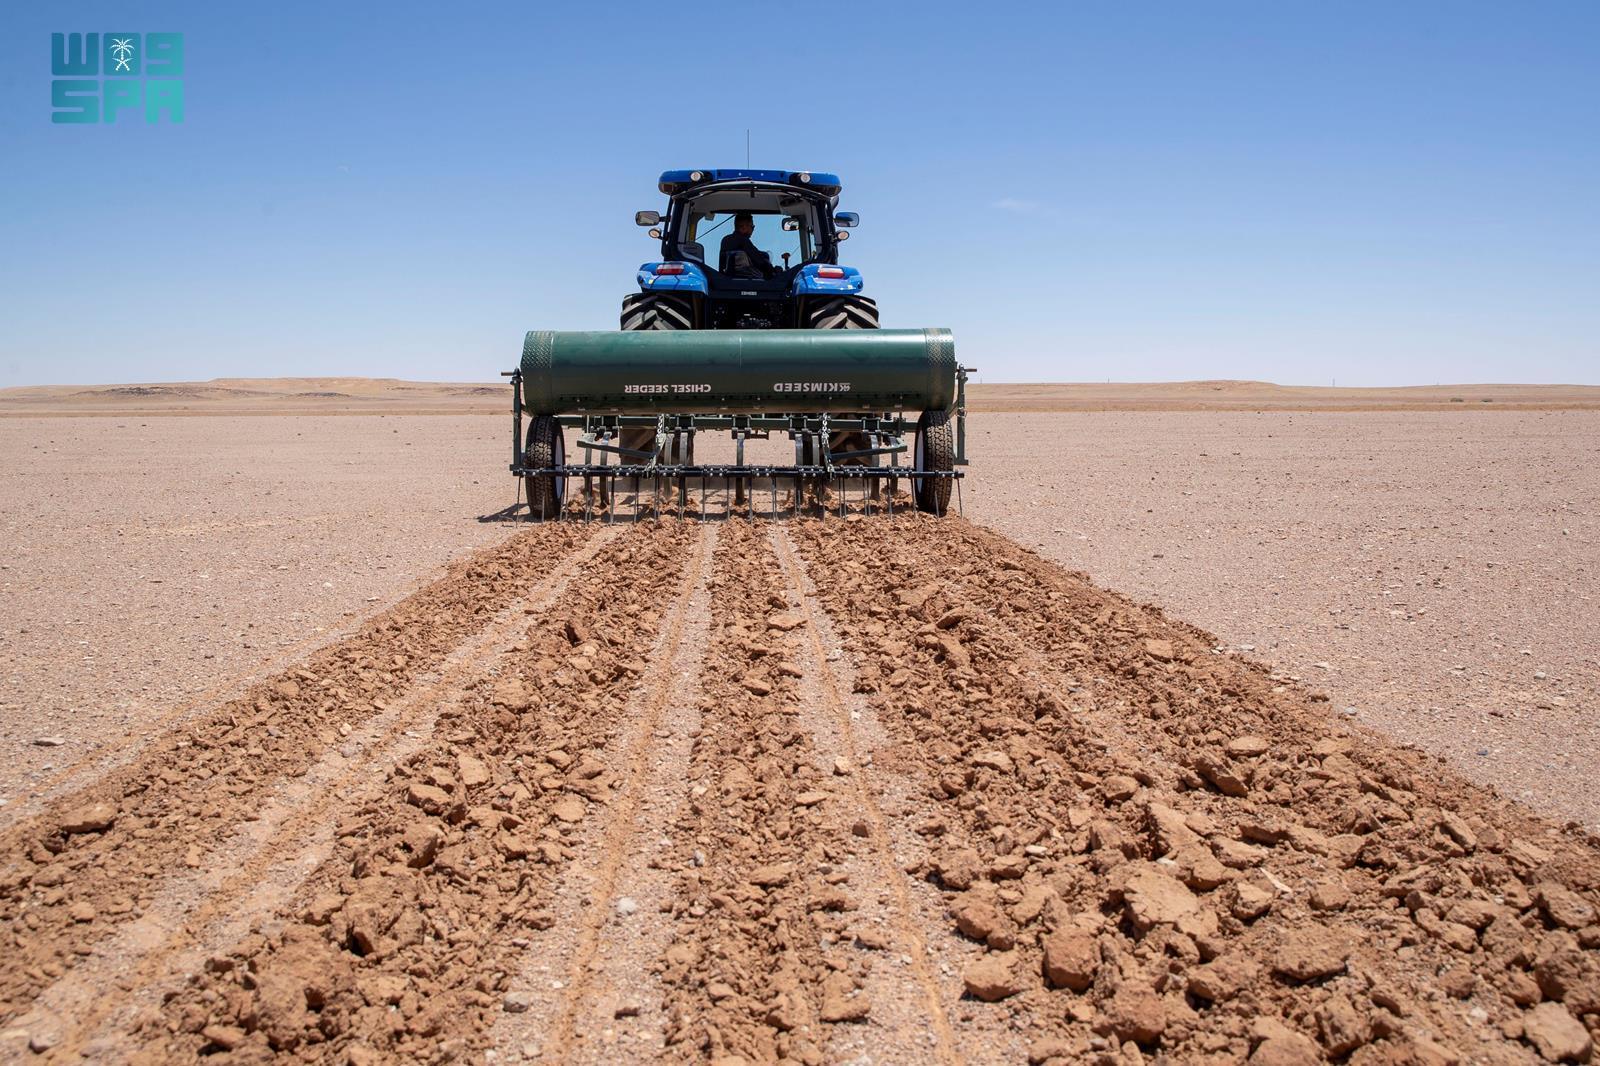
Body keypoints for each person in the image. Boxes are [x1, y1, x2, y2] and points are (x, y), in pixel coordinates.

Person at [719, 212, 775, 279]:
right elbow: (759, 260)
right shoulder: (743, 240)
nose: (753, 229)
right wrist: (773, 270)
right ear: (743, 227)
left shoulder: (725, 240)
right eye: (752, 227)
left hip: (725, 280)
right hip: (746, 282)